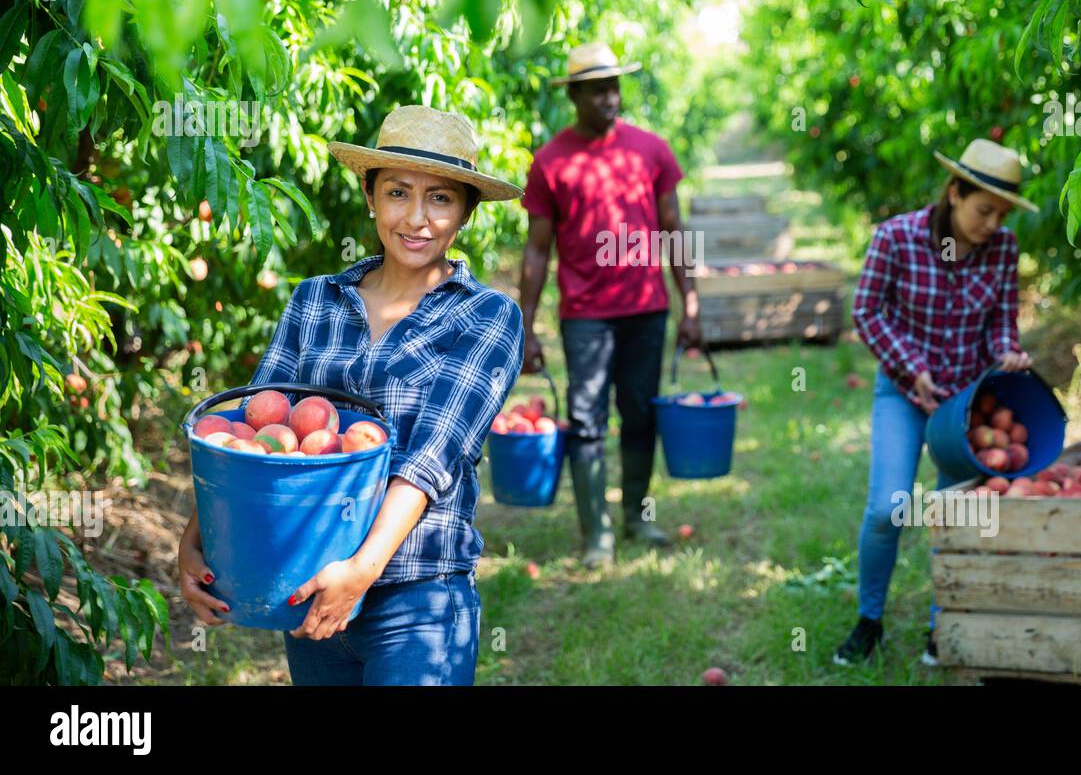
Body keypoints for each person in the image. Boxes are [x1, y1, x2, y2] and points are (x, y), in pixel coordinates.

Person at [177, 107, 525, 685]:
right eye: (397, 193)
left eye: (440, 198)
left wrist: (361, 572)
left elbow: (432, 457)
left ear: (466, 211)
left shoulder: (486, 316)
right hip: (311, 588)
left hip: (418, 597)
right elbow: (253, 432)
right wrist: (198, 540)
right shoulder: (316, 301)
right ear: (369, 195)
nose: (416, 218)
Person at [832, 138, 1039, 668]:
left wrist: (1007, 355)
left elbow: (1000, 322)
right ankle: (869, 620)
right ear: (954, 192)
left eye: (1002, 214)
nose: (992, 224)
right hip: (905, 391)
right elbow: (867, 311)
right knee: (887, 509)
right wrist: (911, 366)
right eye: (983, 210)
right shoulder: (896, 238)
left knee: (954, 515)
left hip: (965, 402)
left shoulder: (1003, 249)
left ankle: (940, 624)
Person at [518, 42, 702, 569]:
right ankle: (596, 531)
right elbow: (537, 248)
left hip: (646, 307)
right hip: (586, 315)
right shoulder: (552, 161)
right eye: (597, 89)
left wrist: (690, 301)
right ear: (573, 95)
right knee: (587, 418)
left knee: (641, 413)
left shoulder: (651, 150)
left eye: (614, 86)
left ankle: (636, 517)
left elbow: (674, 230)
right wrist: (526, 325)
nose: (609, 97)